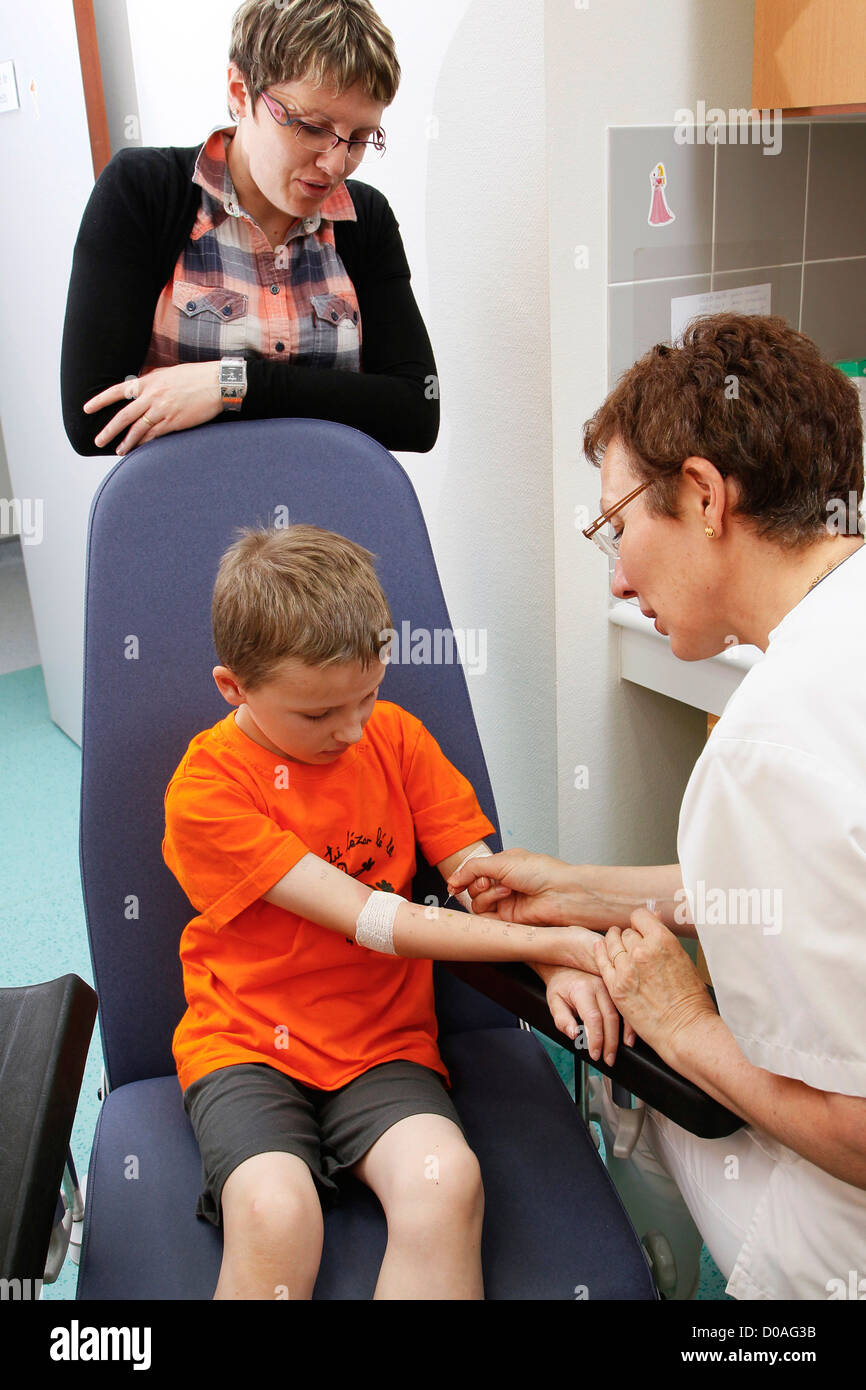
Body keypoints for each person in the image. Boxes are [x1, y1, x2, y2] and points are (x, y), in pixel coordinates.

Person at [448, 313, 866, 1301]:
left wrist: (681, 1028)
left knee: (633, 1064)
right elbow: (806, 884)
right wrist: (577, 890)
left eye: (617, 526)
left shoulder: (766, 744)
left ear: (705, 496)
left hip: (837, 1244)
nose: (618, 574)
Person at [162, 523, 606, 1300]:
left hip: (382, 1045)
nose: (352, 729)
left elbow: (482, 880)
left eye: (368, 695)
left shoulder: (395, 739)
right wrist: (567, 942)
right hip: (248, 1045)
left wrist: (549, 962)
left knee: (447, 1184)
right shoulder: (207, 792)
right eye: (317, 714)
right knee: (273, 1211)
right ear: (234, 688)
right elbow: (372, 919)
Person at [61, 0, 438, 459]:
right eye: (311, 128)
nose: (336, 164)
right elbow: (94, 418)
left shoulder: (366, 219)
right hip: (188, 500)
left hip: (332, 502)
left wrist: (230, 384)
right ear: (240, 92)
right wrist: (328, 399)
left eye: (359, 138)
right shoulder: (144, 192)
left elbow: (417, 411)